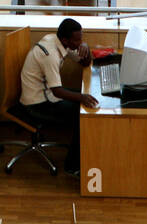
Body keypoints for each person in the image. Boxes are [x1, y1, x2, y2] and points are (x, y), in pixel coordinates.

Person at [18, 18, 98, 174]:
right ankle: (72, 167)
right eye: (77, 40)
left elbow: (84, 63)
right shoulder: (50, 54)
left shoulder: (59, 42)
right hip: (37, 103)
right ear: (65, 40)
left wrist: (85, 48)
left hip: (47, 93)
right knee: (81, 113)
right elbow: (57, 91)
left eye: (81, 38)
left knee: (82, 101)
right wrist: (82, 97)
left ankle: (81, 155)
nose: (79, 42)